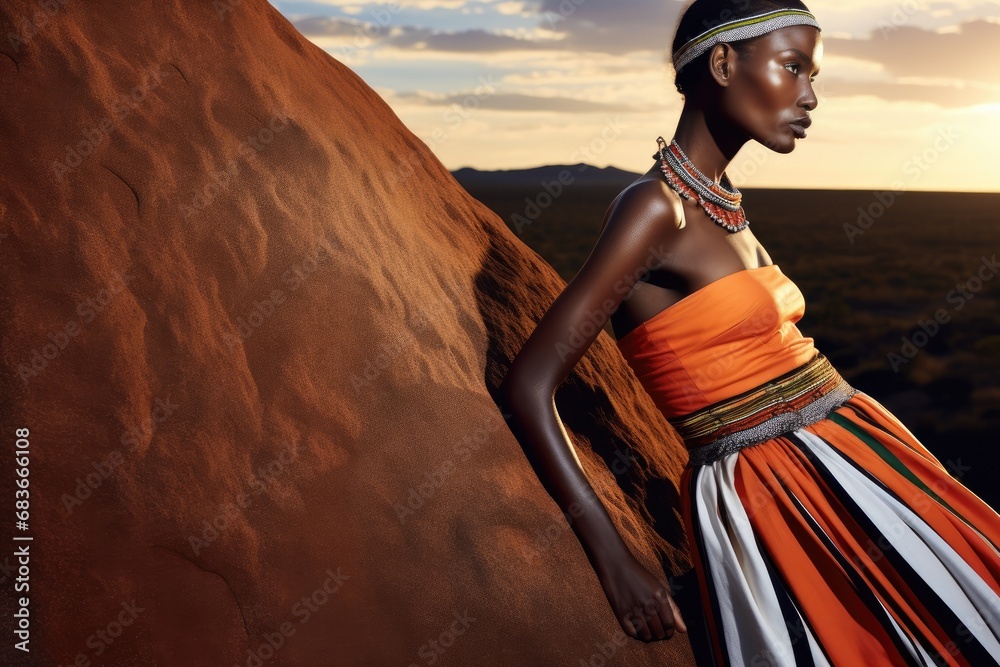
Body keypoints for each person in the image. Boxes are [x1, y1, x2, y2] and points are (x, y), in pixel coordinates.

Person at [497, 0, 1000, 664]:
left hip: (860, 457)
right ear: (723, 63)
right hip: (775, 493)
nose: (809, 96)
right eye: (793, 68)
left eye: (813, 76)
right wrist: (612, 555)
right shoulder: (654, 209)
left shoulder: (727, 205)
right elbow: (529, 385)